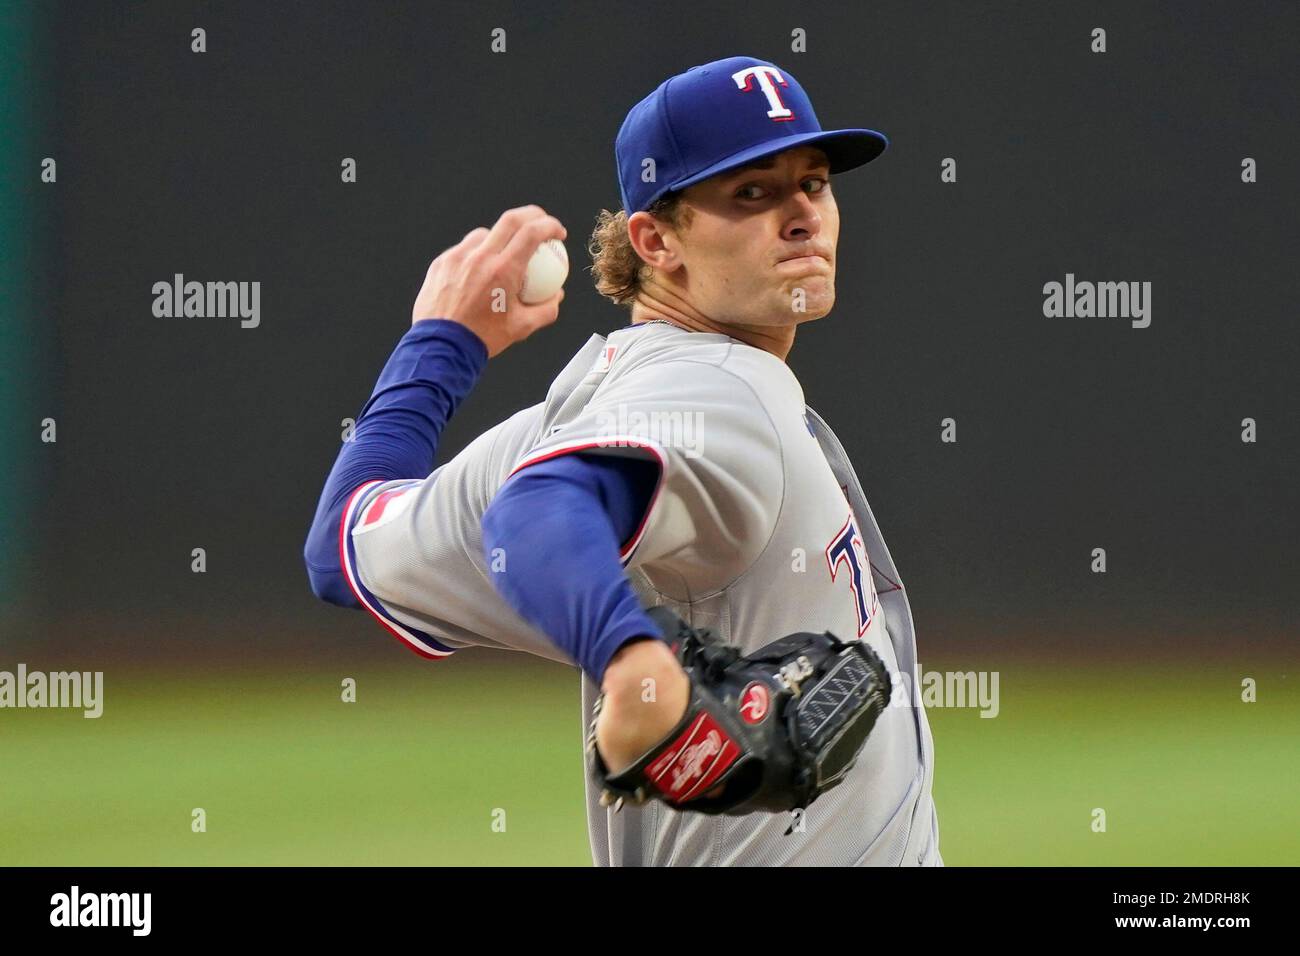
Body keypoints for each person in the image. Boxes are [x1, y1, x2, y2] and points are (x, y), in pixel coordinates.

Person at [304, 55, 940, 866]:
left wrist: (441, 344)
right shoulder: (720, 387)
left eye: (813, 183)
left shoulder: (582, 414)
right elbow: (538, 514)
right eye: (752, 192)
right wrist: (634, 659)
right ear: (655, 239)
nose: (802, 216)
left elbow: (342, 547)